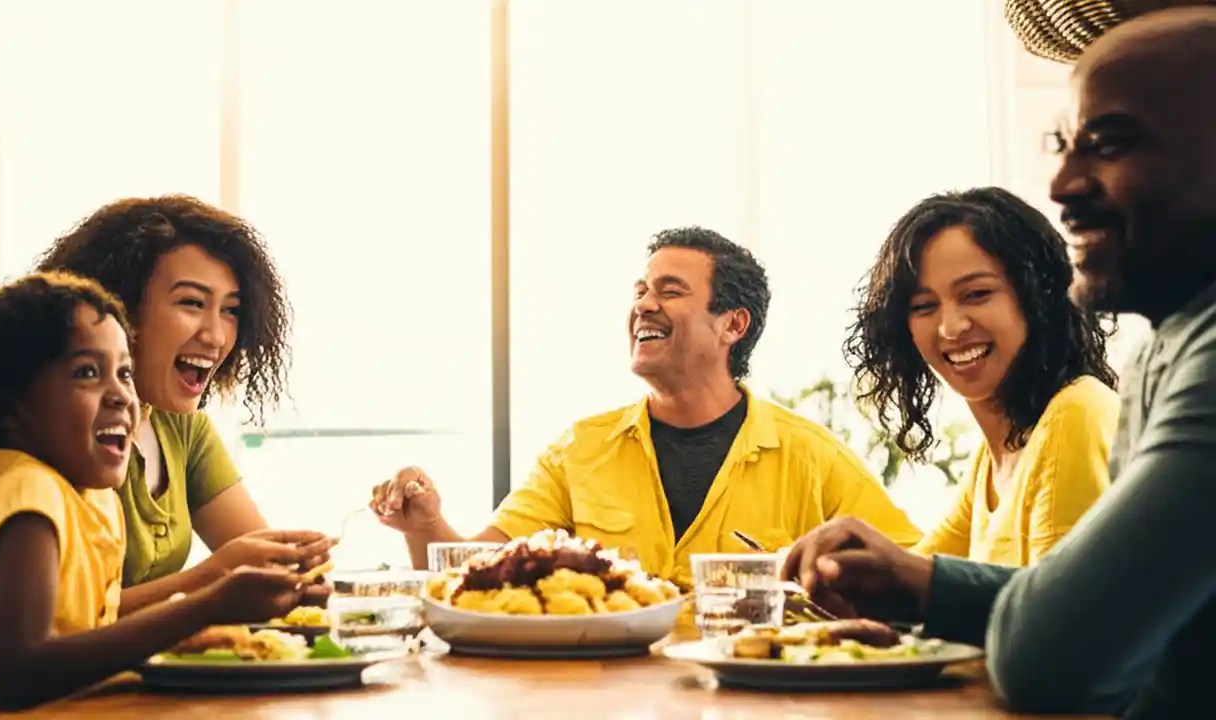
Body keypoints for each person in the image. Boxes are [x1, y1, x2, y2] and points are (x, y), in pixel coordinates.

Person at [781, 8, 1216, 717]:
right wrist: (911, 582)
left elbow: (1054, 654)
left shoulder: (1143, 386)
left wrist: (926, 587)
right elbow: (1066, 613)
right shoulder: (1167, 348)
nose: (1062, 183)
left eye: (1109, 144)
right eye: (1063, 146)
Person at [372, 226, 922, 586]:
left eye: (670, 291)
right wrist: (425, 525)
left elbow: (913, 574)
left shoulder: (812, 456)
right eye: (640, 291)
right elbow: (473, 576)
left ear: (733, 324)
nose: (644, 305)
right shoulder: (579, 450)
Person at [0, 272, 306, 715]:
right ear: (4, 409)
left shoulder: (92, 498)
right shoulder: (26, 492)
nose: (121, 396)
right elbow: (17, 676)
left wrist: (195, 622)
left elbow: (91, 632)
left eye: (124, 373)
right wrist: (205, 607)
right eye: (87, 373)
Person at [35, 196, 331, 613]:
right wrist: (212, 580)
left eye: (231, 310)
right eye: (192, 303)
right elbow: (61, 622)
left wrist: (296, 576)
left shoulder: (183, 430)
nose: (216, 336)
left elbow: (259, 565)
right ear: (120, 308)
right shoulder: (55, 435)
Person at [846, 187, 1118, 566]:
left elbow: (1062, 601)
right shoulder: (994, 455)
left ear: (1037, 296)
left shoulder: (1076, 412)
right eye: (924, 306)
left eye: (976, 294)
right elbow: (912, 574)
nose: (951, 327)